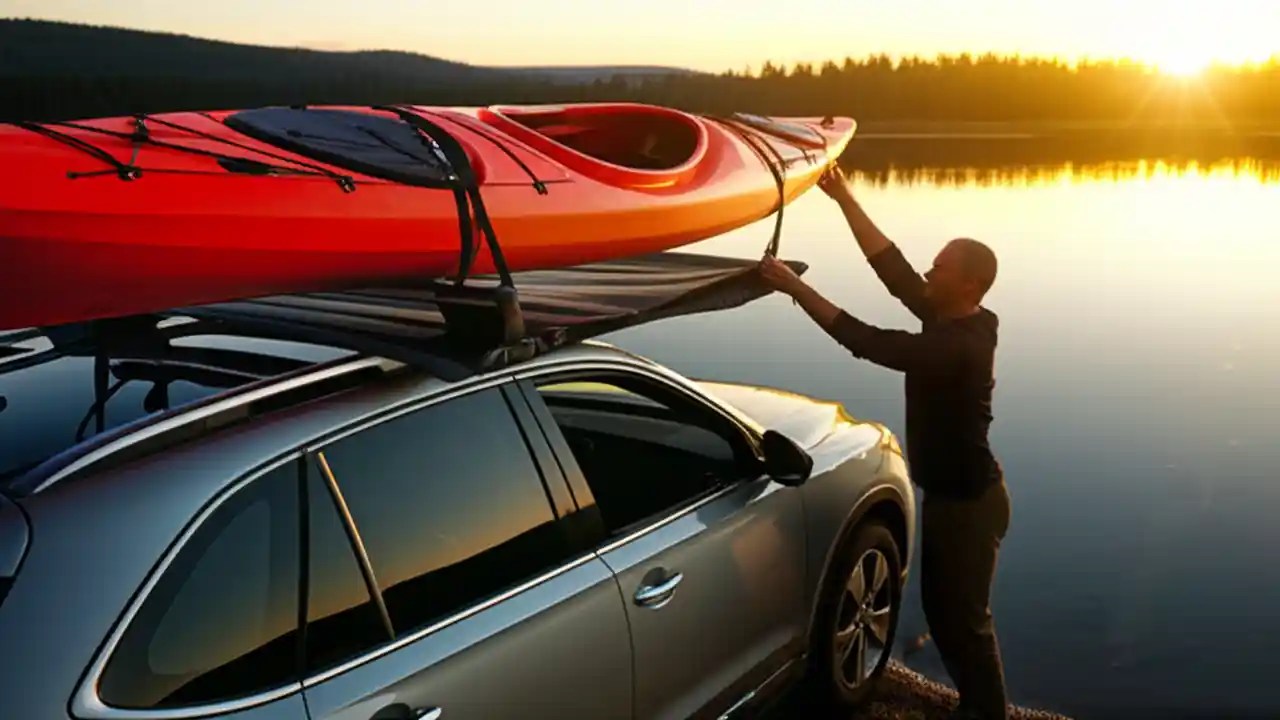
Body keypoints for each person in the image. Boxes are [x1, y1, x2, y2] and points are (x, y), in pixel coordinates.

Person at [758, 165, 1011, 720]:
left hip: (970, 505)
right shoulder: (953, 316)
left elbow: (868, 342)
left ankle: (987, 712)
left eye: (940, 267)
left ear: (968, 284)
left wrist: (796, 287)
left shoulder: (958, 348)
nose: (928, 271)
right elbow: (892, 269)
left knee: (965, 620)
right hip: (952, 497)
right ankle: (976, 707)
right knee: (944, 613)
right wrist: (843, 196)